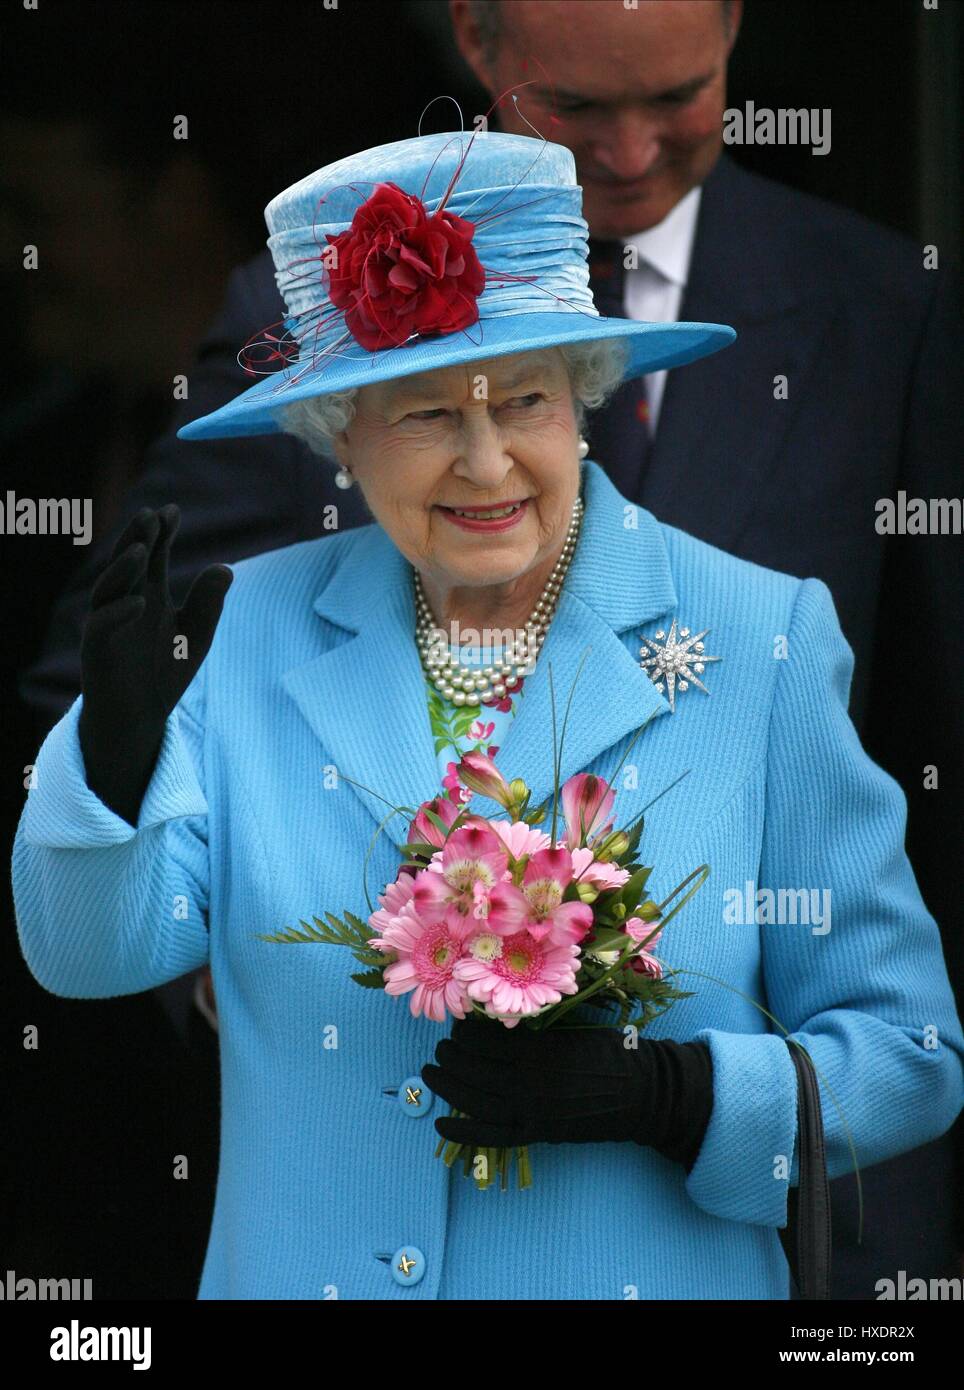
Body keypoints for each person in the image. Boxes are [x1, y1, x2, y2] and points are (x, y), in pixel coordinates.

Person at [12, 127, 963, 1300]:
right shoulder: (246, 628)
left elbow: (909, 1056)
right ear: (339, 438)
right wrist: (109, 764)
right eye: (421, 414)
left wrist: (680, 1095)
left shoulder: (759, 639)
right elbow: (90, 959)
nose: (484, 460)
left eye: (522, 399)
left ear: (584, 398)